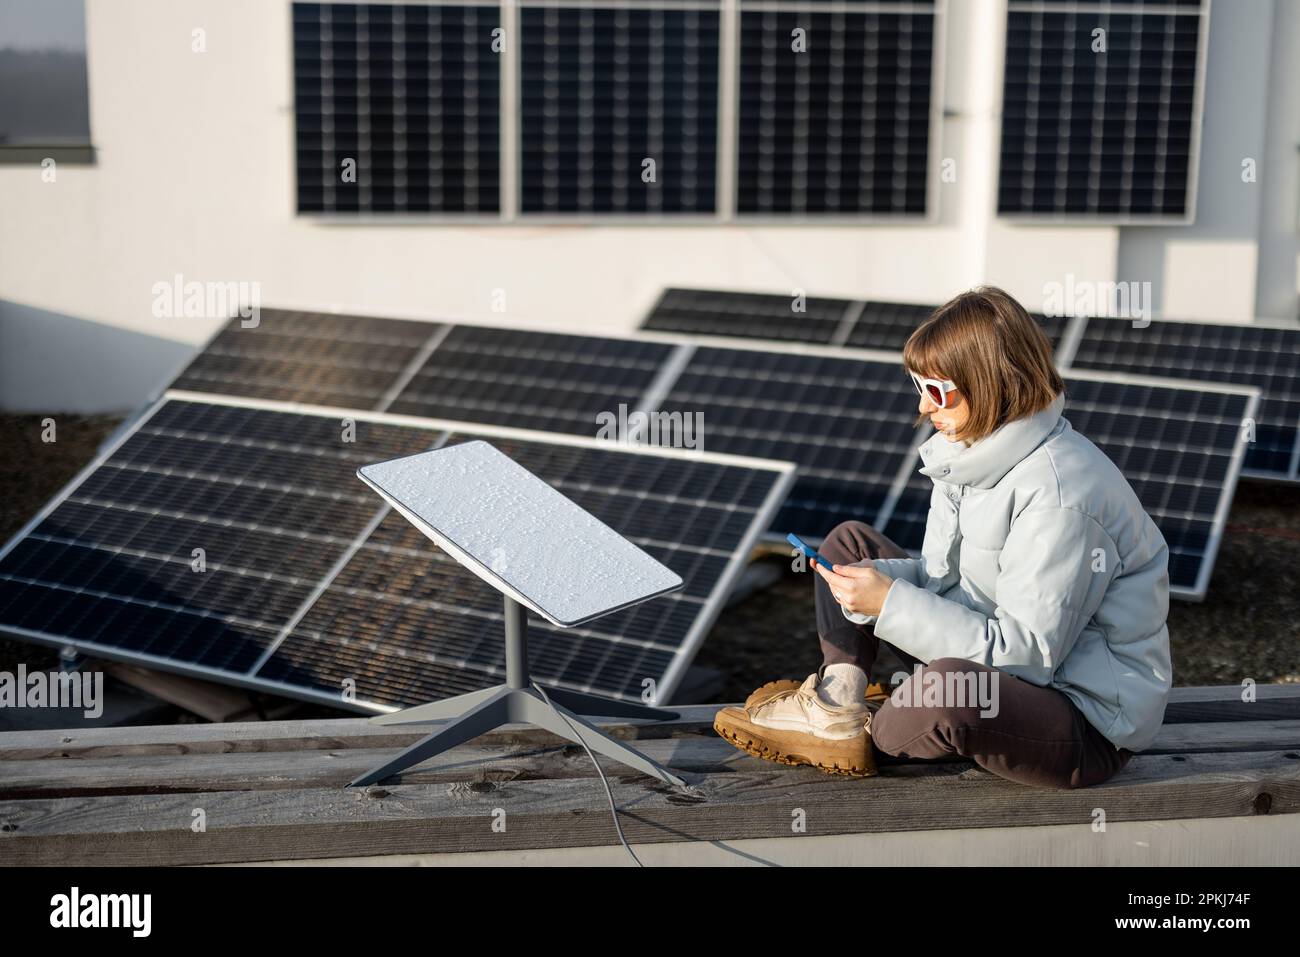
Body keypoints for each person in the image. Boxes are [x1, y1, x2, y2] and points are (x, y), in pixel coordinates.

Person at [713, 286, 1173, 789]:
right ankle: (837, 703)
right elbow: (941, 583)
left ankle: (862, 730)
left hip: (1080, 722)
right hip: (990, 666)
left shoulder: (1062, 497)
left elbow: (1027, 659)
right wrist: (875, 584)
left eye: (937, 389)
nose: (923, 404)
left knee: (946, 692)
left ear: (991, 381)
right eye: (919, 384)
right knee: (847, 546)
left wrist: (890, 604)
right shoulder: (971, 454)